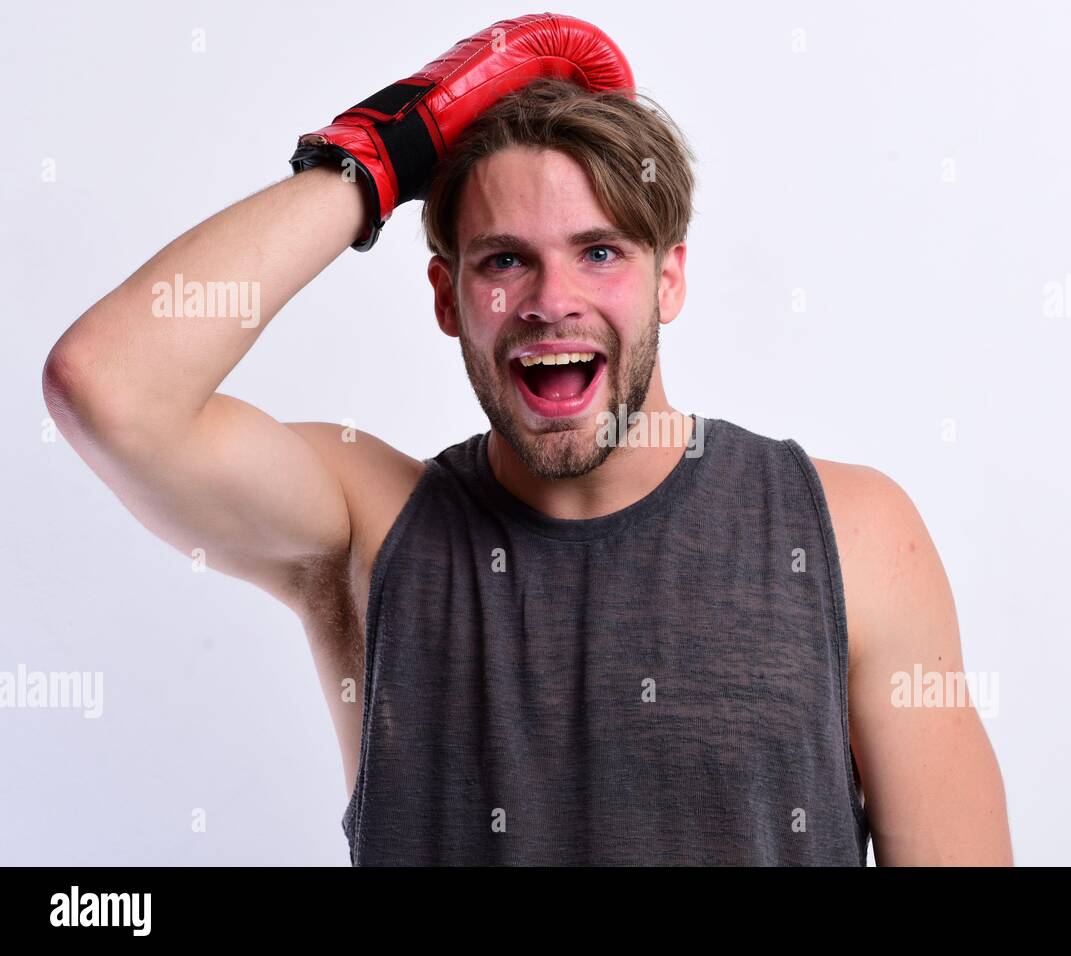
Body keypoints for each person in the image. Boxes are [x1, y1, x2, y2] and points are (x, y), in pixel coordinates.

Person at [41, 13, 1012, 866]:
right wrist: (380, 152)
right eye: (505, 260)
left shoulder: (851, 531)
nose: (553, 301)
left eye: (599, 252)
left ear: (668, 279)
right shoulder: (370, 527)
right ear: (446, 297)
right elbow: (110, 386)